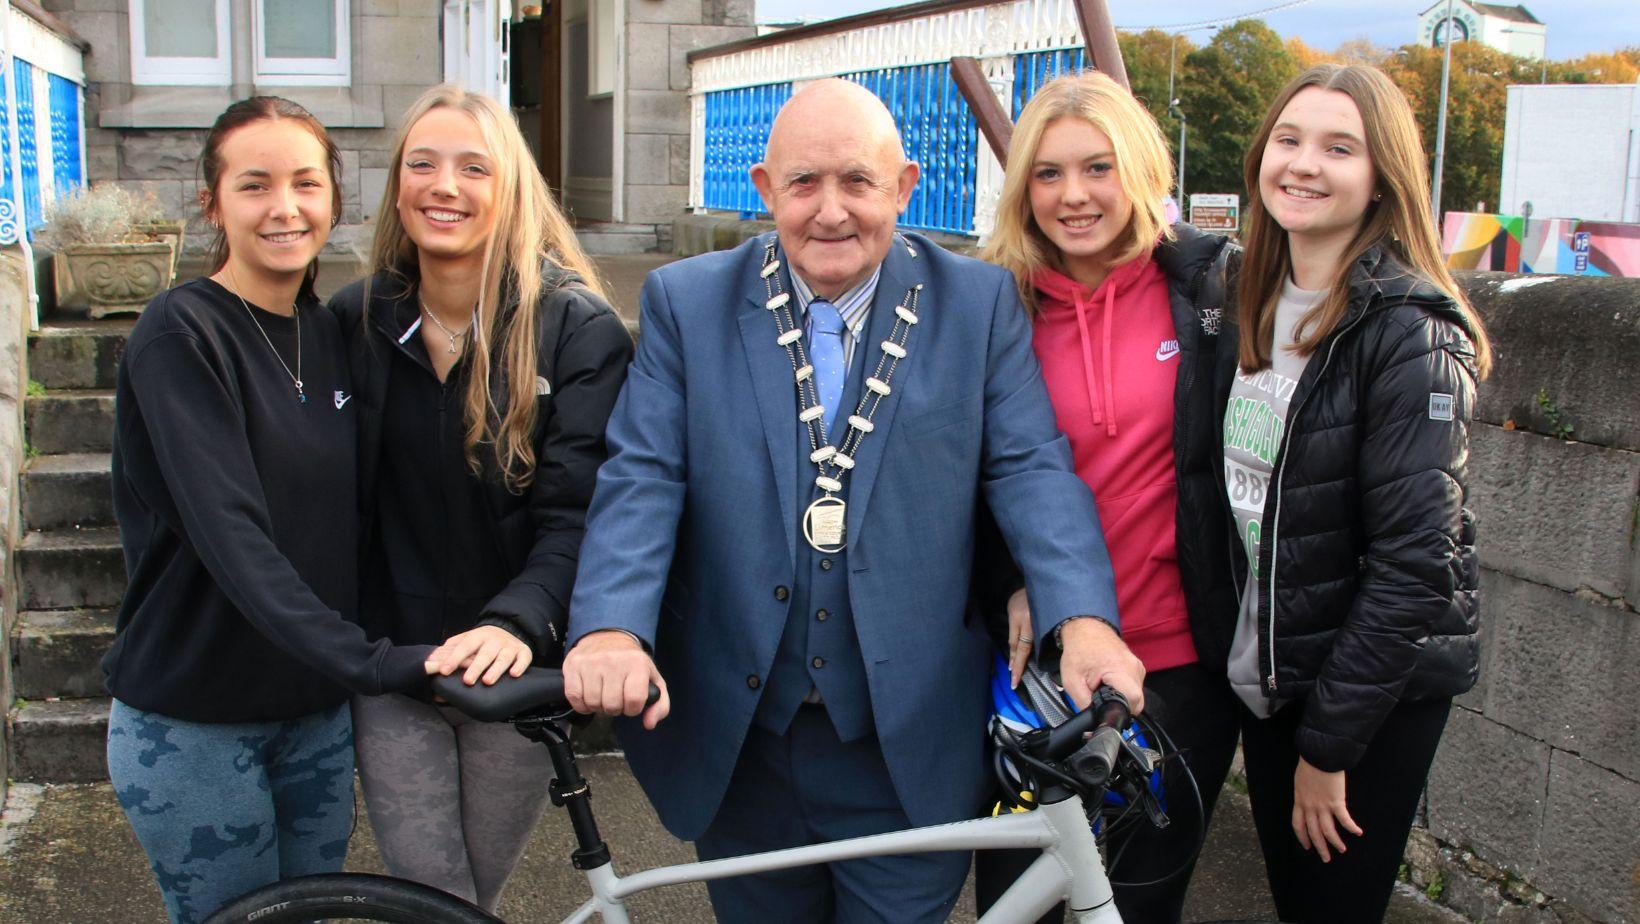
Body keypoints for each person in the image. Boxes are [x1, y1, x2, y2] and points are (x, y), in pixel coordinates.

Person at [559, 78, 1144, 923]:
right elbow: (643, 474)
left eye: (858, 182)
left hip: (906, 745)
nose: (830, 210)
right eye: (803, 183)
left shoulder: (976, 307)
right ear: (763, 188)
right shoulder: (686, 303)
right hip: (743, 744)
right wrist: (612, 623)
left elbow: (1030, 470)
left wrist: (1082, 619)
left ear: (905, 185)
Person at [103, 97, 482, 924]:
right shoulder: (181, 336)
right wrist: (381, 662)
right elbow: (233, 537)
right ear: (213, 204)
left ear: (334, 199)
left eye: (307, 183)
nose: (285, 207)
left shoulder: (331, 331)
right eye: (254, 185)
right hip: (196, 720)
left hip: (313, 715)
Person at [329, 85, 632, 913]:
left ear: (510, 190)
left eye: (473, 167)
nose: (444, 185)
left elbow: (584, 515)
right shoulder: (355, 321)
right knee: (436, 899)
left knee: (462, 901)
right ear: (397, 186)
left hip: (514, 673)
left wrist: (515, 622)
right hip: (395, 667)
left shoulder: (577, 331)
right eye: (421, 164)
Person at [1213, 64, 1490, 924]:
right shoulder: (1250, 300)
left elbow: (1417, 564)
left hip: (1366, 697)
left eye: (1340, 147)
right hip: (1276, 672)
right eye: (1289, 140)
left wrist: (1328, 749)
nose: (1304, 164)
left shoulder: (1411, 331)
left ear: (1381, 179)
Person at [974, 70, 1241, 924]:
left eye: (1098, 167)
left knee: (1139, 904)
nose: (1073, 195)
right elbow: (961, 480)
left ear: (1138, 172)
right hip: (1040, 669)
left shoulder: (1207, 295)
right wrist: (1010, 576)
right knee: (1023, 904)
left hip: (1178, 665)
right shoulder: (993, 306)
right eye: (1047, 173)